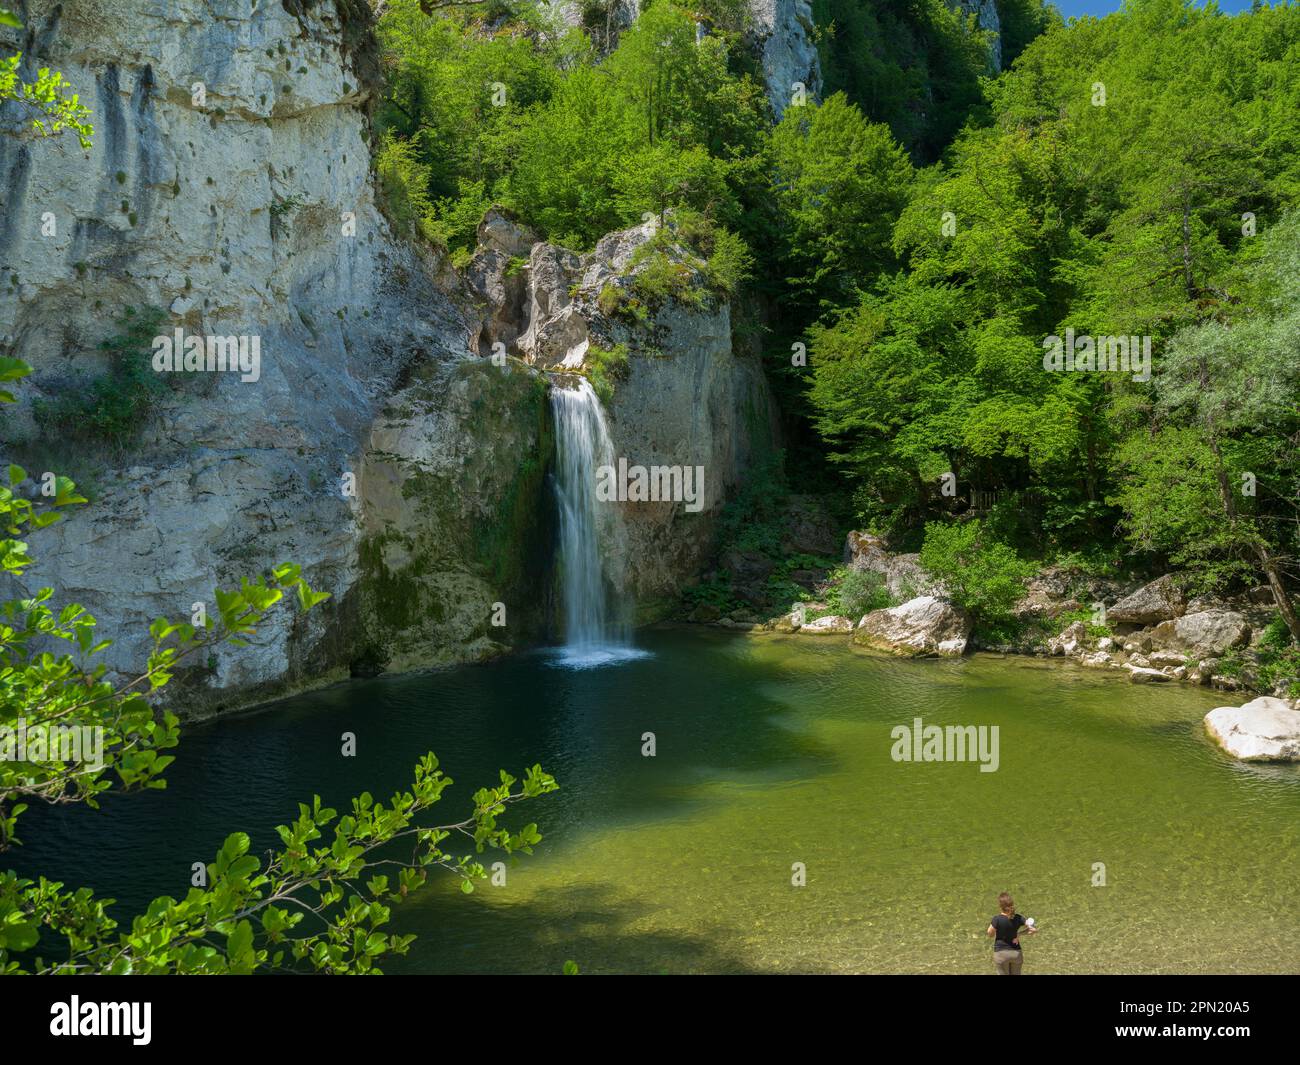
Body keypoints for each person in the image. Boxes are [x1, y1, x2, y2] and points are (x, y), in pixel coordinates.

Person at [986, 892, 1037, 974]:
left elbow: (990, 934)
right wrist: (1019, 934)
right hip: (1016, 953)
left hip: (1001, 954)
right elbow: (1033, 930)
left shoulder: (997, 919)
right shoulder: (1018, 917)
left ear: (1000, 906)